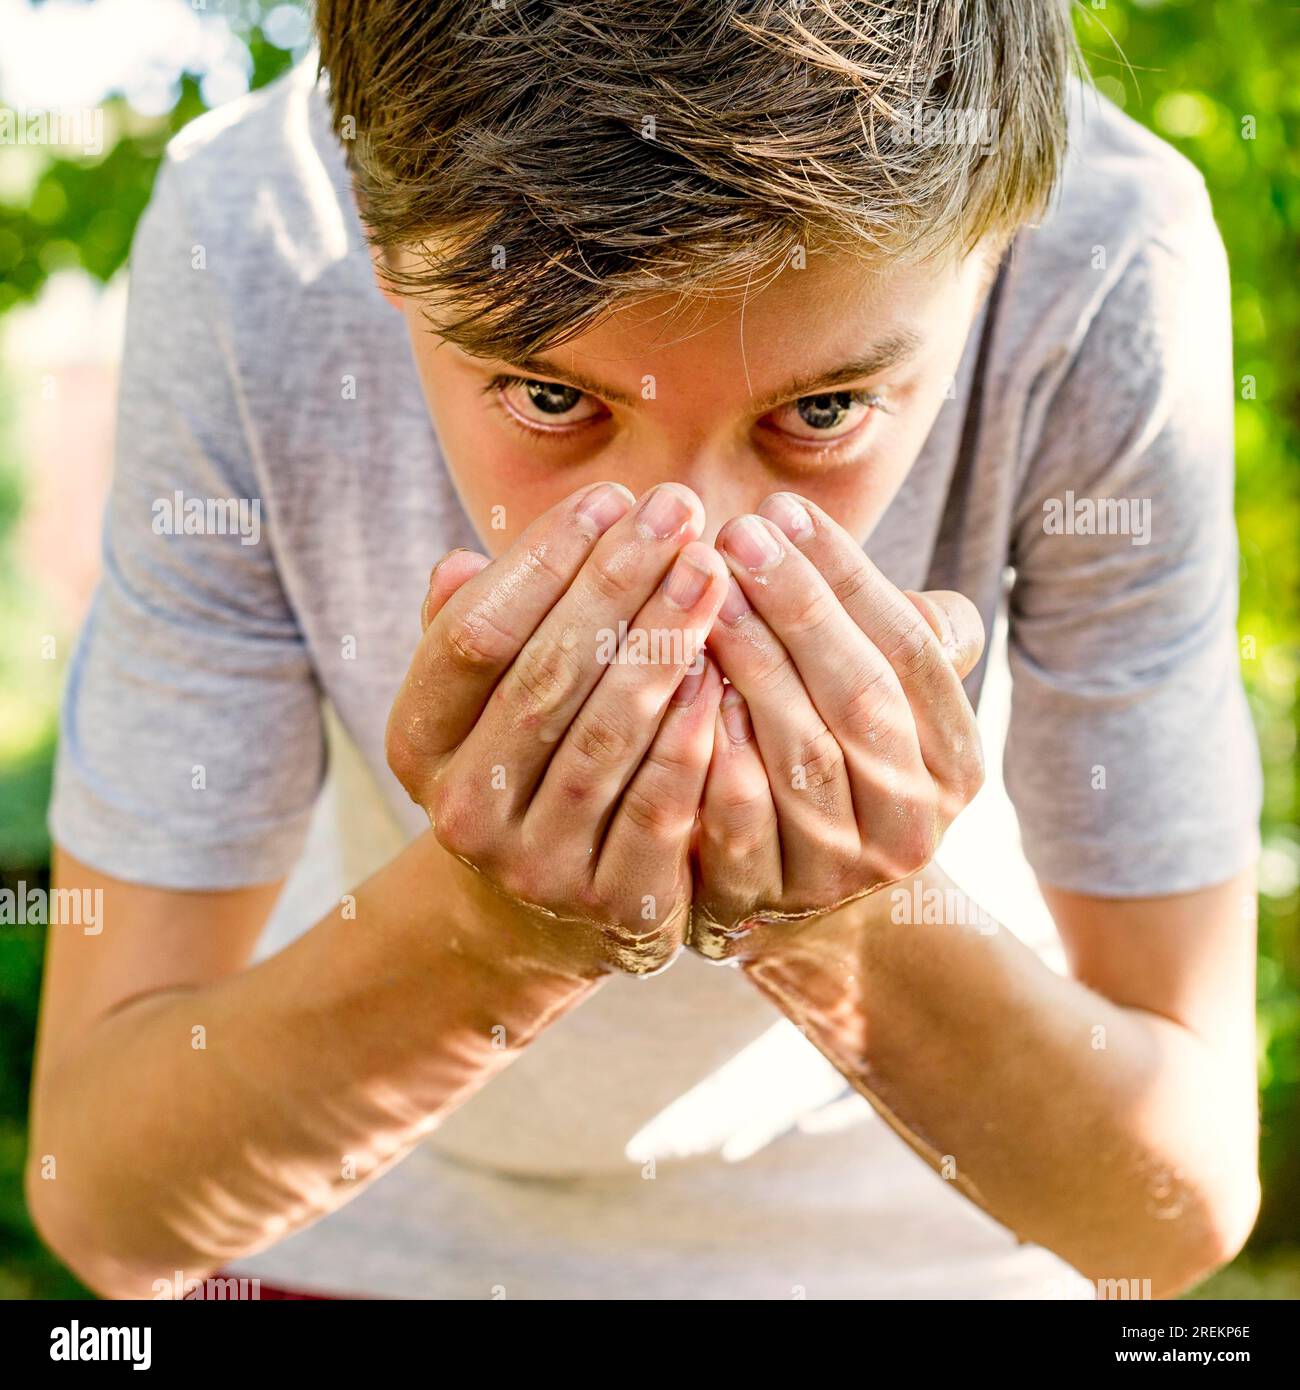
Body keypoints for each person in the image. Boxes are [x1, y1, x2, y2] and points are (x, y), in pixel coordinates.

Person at [26, 1, 1263, 1301]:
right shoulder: (252, 237)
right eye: (553, 399)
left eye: (825, 408)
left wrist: (845, 928)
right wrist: (487, 935)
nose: (695, 571)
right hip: (367, 1246)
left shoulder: (1113, 246)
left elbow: (1173, 1207)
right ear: (376, 241)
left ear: (998, 256)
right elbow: (105, 1200)